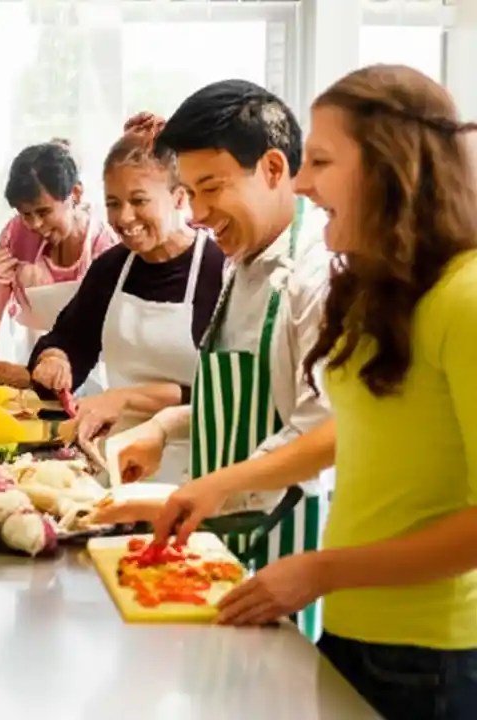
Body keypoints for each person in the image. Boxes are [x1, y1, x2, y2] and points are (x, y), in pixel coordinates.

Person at [143, 65, 477, 720]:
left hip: (432, 653)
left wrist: (322, 570)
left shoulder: (465, 299)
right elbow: (357, 433)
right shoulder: (384, 293)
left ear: (390, 165)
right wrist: (216, 482)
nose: (300, 182)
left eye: (319, 160)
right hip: (356, 634)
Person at [100, 80, 332, 638]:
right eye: (189, 192)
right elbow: (255, 406)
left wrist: (212, 486)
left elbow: (326, 430)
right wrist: (166, 427)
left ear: (274, 169)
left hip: (288, 555)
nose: (199, 213)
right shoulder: (242, 264)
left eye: (212, 189)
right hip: (222, 550)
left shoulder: (315, 276)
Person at [28, 113, 225, 484]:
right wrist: (54, 359)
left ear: (179, 196)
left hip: (196, 476)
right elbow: (69, 339)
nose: (124, 217)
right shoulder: (111, 268)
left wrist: (123, 399)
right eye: (113, 203)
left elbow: (222, 397)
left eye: (138, 200)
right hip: (116, 469)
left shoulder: (218, 272)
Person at [0, 140, 117, 377]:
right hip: (41, 358)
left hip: (97, 363)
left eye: (43, 212)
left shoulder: (104, 247)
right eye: (25, 214)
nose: (35, 224)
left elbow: (109, 331)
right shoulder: (15, 236)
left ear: (75, 193)